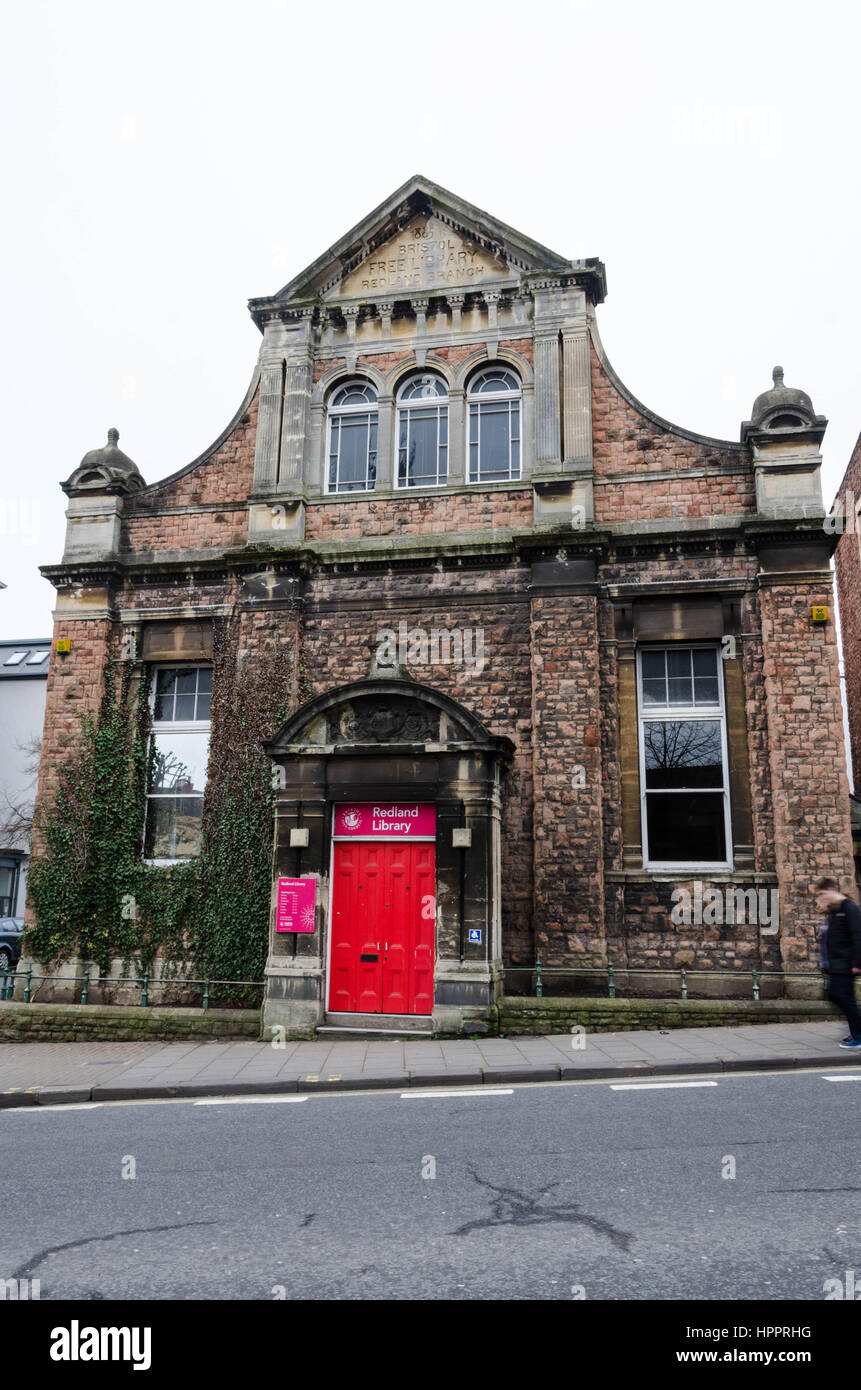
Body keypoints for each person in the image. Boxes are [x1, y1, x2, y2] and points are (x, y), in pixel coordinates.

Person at [812, 877, 861, 1048]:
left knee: (844, 997)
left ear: (832, 890)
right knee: (836, 996)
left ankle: (858, 1036)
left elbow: (857, 935)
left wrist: (857, 963)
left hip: (846, 964)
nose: (821, 898)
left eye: (822, 894)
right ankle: (856, 1030)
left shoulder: (849, 908)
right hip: (835, 964)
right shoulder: (835, 911)